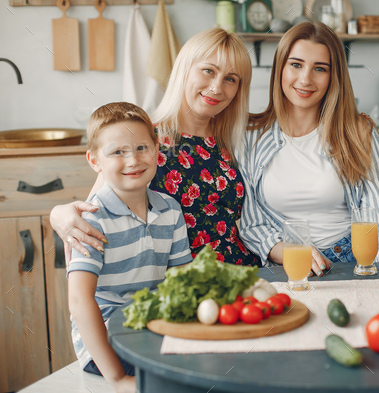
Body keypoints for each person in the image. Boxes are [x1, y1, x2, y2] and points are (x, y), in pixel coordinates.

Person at [50, 28, 260, 267]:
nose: (216, 87)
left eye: (230, 79)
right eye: (208, 71)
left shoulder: (235, 141)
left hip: (240, 273)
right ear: (184, 70)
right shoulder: (144, 138)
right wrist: (58, 213)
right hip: (170, 280)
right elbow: (96, 210)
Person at [238, 22, 379, 276]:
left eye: (320, 68)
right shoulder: (249, 136)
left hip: (352, 262)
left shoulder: (357, 132)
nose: (305, 79)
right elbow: (252, 225)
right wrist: (289, 250)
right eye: (296, 64)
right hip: (285, 266)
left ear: (333, 77)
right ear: (280, 69)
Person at [68, 102, 193, 393]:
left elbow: (183, 282)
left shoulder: (170, 210)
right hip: (111, 341)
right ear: (95, 161)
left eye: (141, 148)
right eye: (118, 152)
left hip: (157, 328)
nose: (133, 160)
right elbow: (79, 301)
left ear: (156, 151)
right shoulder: (92, 221)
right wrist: (117, 379)